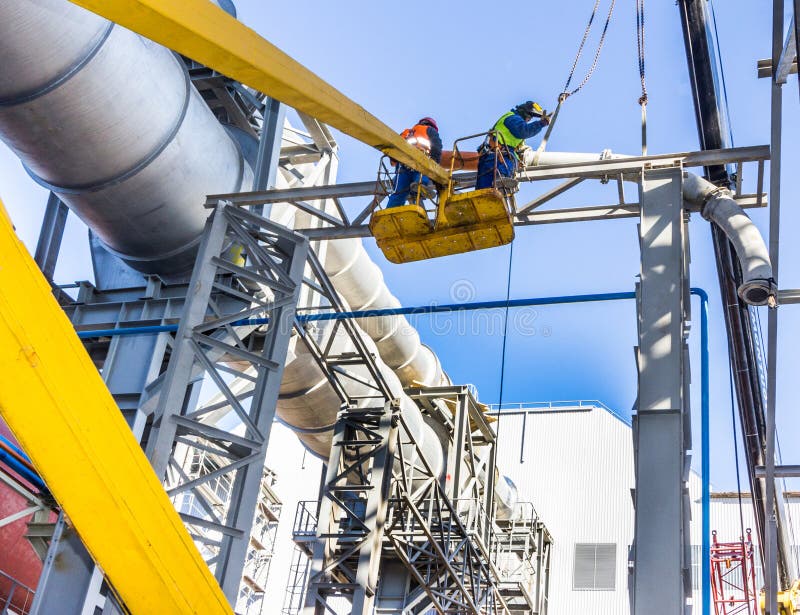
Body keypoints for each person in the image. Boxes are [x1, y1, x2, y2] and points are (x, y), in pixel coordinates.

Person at [475, 101, 550, 190]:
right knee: (510, 159)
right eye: (529, 117)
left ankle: (495, 188)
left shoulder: (513, 121)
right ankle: (501, 180)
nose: (528, 120)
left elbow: (520, 147)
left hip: (490, 157)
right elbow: (524, 131)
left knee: (484, 190)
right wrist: (541, 123)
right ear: (524, 113)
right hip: (499, 156)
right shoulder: (513, 118)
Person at [386, 117, 443, 208]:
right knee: (421, 177)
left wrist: (394, 160)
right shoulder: (429, 130)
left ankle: (390, 212)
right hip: (421, 160)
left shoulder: (406, 132)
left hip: (403, 165)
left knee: (398, 192)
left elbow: (395, 146)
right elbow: (436, 146)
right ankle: (419, 187)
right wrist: (435, 164)